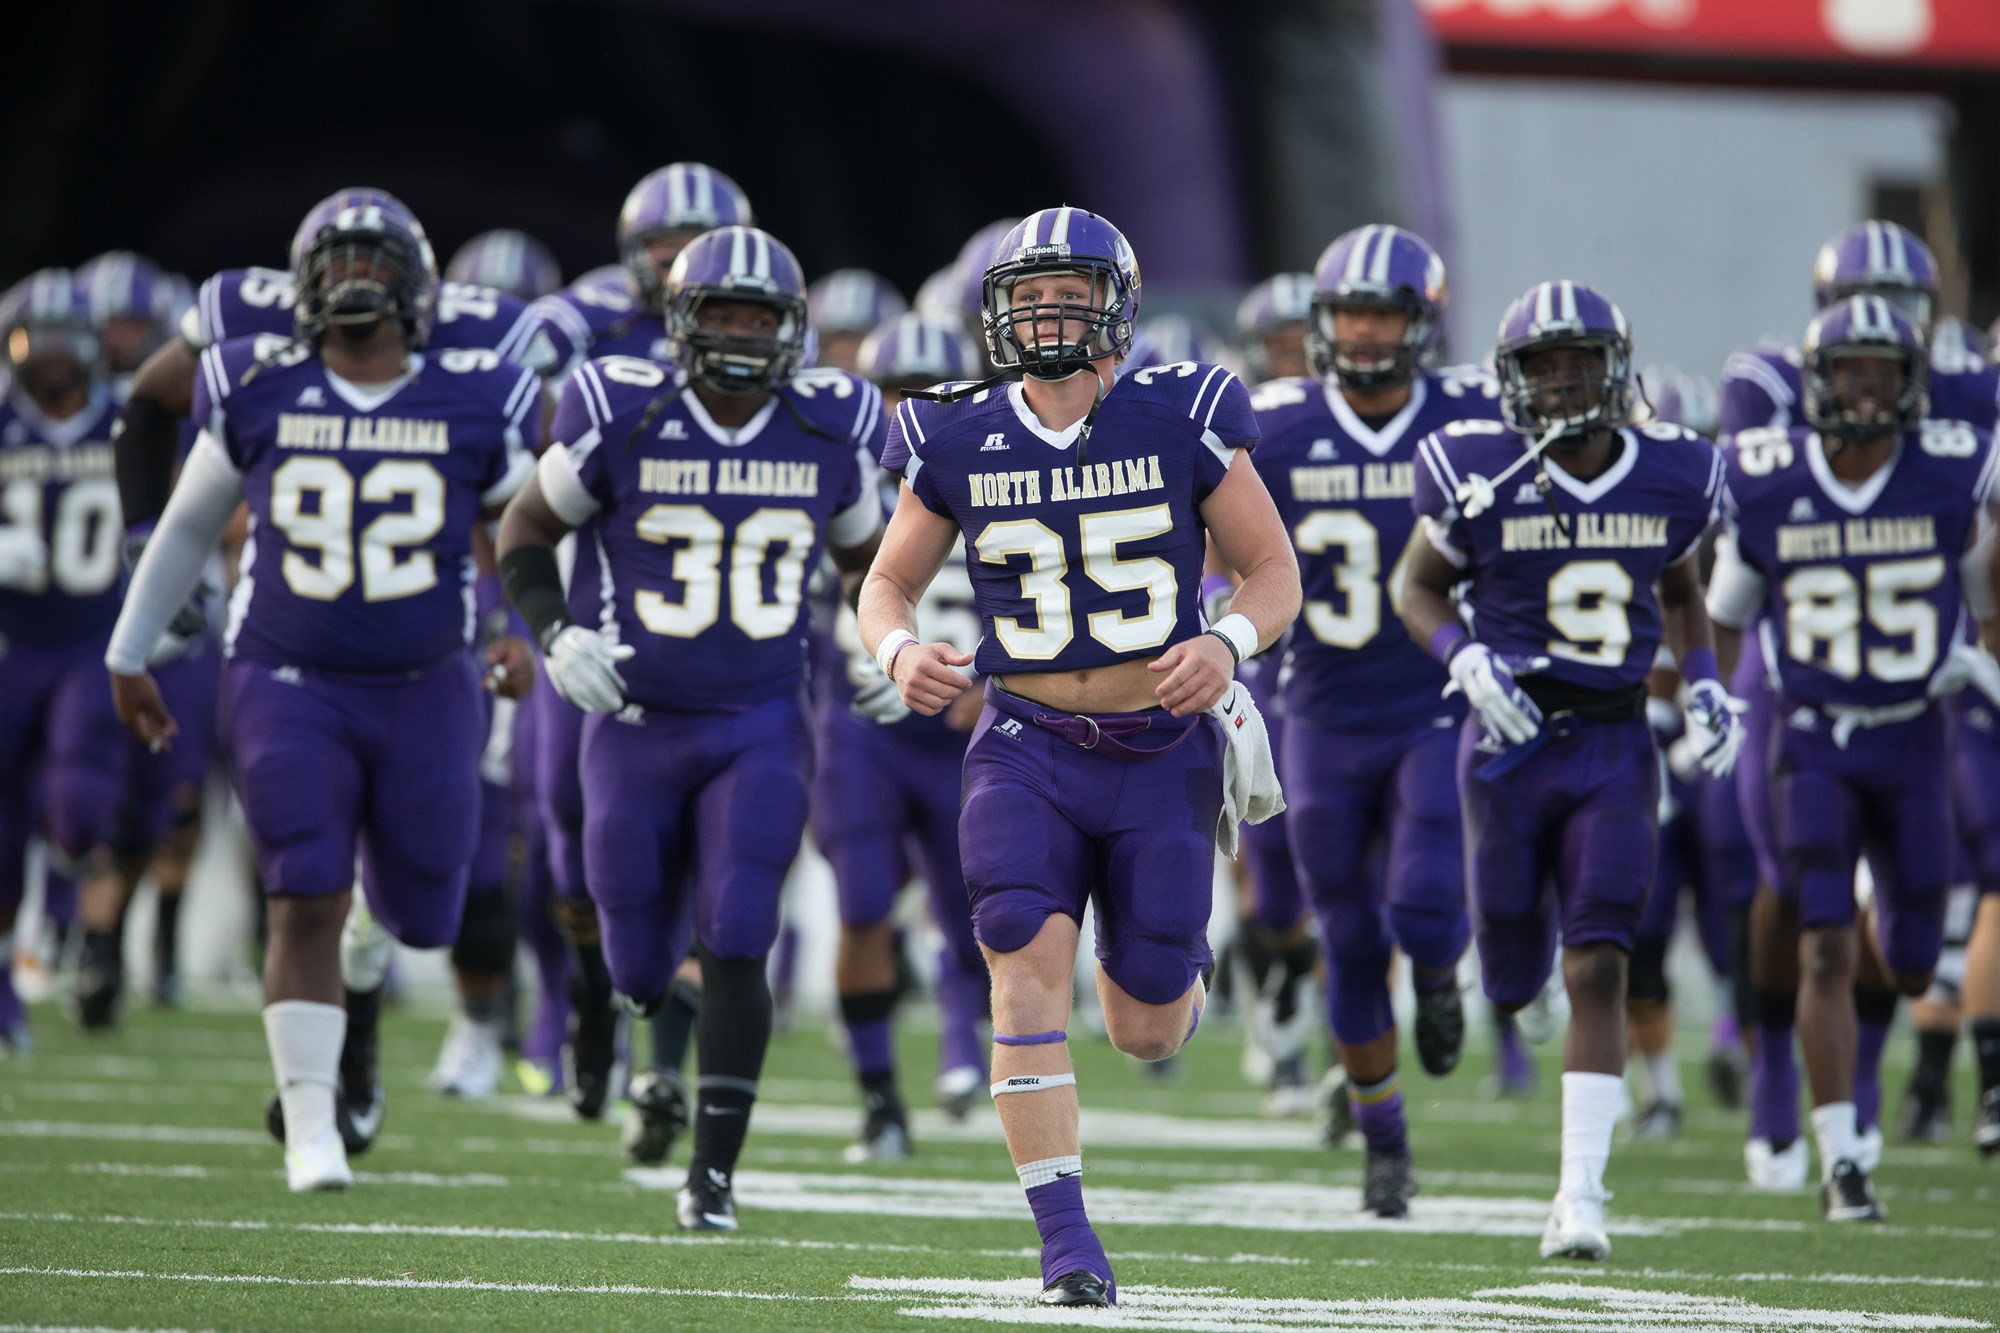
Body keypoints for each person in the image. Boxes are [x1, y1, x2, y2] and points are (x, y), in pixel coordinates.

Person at [860, 206, 1299, 1307]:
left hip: (1159, 751)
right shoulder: (950, 433)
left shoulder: (1182, 412)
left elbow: (1270, 572)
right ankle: (1067, 1247)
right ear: (995, 310)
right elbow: (882, 584)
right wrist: (899, 649)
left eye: (1068, 295)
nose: (1045, 315)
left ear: (1117, 307)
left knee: (1146, 1023)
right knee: (1021, 970)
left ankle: (1174, 973)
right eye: (1028, 296)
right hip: (1025, 742)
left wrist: (1224, 641)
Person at [103, 188, 539, 1192]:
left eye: (373, 265)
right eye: (335, 264)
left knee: (426, 908)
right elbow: (181, 524)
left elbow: (522, 528)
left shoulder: (475, 394)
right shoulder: (253, 383)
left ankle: (369, 944)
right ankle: (313, 1125)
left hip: (428, 680)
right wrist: (129, 651)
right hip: (286, 674)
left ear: (417, 290)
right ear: (300, 286)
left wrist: (520, 628)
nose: (353, 283)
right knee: (300, 887)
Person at [497, 224, 886, 1231]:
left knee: (739, 929)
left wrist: (885, 641)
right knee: (632, 955)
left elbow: (867, 565)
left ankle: (712, 1170)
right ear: (681, 321)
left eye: (761, 317)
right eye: (723, 313)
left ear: (793, 328)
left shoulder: (823, 422)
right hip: (632, 717)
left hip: (760, 717)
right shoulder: (621, 410)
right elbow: (525, 530)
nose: (743, 335)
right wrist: (553, 632)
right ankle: (626, 1024)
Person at [1403, 279, 1740, 1260]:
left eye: (1577, 362)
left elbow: (1681, 585)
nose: (1559, 382)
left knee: (1598, 959)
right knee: (1512, 978)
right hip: (1504, 745)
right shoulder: (1473, 468)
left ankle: (1579, 1197)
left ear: (1614, 368)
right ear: (1509, 379)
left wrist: (1708, 680)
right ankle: (1512, 989)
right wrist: (1459, 655)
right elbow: (1416, 586)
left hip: (1609, 740)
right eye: (1540, 366)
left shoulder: (1667, 473)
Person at [1717, 220, 2000, 1187]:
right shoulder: (1767, 385)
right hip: (1791, 665)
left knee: (1914, 928)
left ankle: (1862, 1086)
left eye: (1904, 314)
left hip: (1927, 670)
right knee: (1792, 886)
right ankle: (1780, 1104)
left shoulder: (1964, 396)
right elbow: (1746, 558)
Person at [1249, 224, 1502, 1215]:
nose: (1359, 332)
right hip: (1316, 709)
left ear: (1419, 323)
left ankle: (1438, 970)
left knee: (1425, 897)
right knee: (1347, 940)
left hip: (1431, 704)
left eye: (1379, 313)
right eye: (1346, 313)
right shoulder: (1270, 423)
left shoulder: (1475, 416)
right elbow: (1210, 537)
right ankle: (1382, 1140)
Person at [509, 163, 753, 1122]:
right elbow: (512, 430)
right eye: (664, 242)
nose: (680, 259)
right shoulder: (580, 323)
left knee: (703, 837)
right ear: (632, 251)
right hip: (586, 604)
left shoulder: (764, 319)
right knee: (570, 829)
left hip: (714, 628)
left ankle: (661, 1059)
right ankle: (591, 1004)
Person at [814, 311, 991, 1158]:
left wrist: (991, 679)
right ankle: (880, 1098)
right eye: (895, 394)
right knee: (861, 908)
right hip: (867, 734)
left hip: (964, 730)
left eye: (927, 394)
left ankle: (963, 1050)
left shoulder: (993, 474)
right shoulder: (842, 483)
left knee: (977, 912)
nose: (909, 410)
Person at [0, 270, 129, 1052]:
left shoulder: (130, 418)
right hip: (11, 644)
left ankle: (69, 921)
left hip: (92, 639)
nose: (48, 359)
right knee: (1, 825)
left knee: (78, 806)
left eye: (61, 342)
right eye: (33, 342)